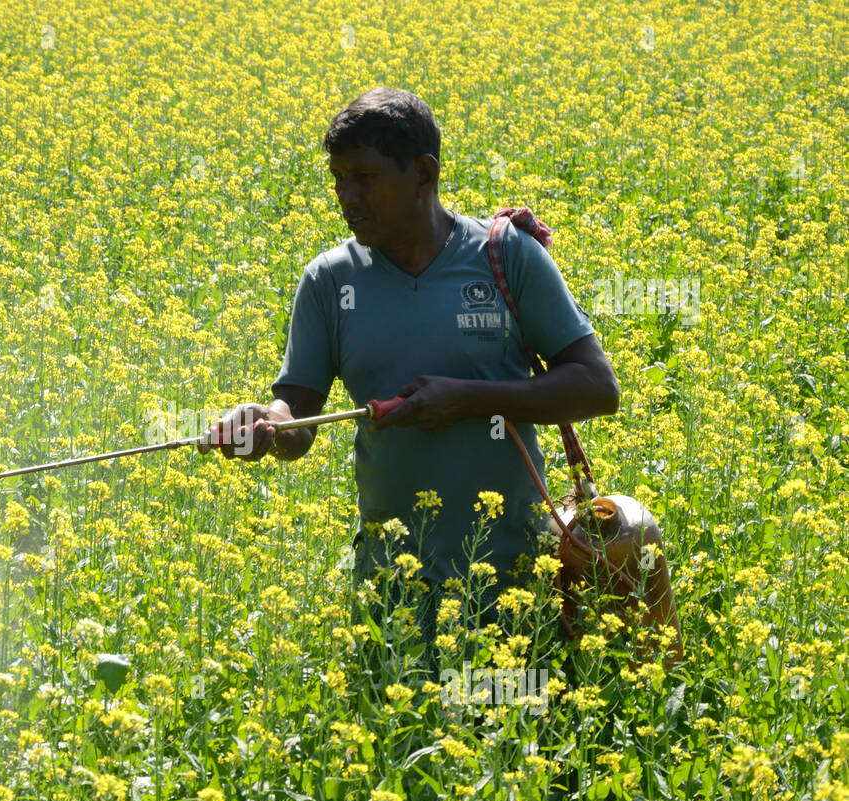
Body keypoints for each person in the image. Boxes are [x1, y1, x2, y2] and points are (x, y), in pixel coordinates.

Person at [201, 87, 620, 694]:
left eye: (365, 178)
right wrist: (265, 425)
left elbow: (597, 386)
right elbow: (299, 415)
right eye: (338, 179)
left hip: (512, 576)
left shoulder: (506, 256)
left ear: (423, 174)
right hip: (394, 585)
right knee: (401, 760)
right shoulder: (329, 280)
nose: (347, 198)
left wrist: (471, 398)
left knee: (511, 757)